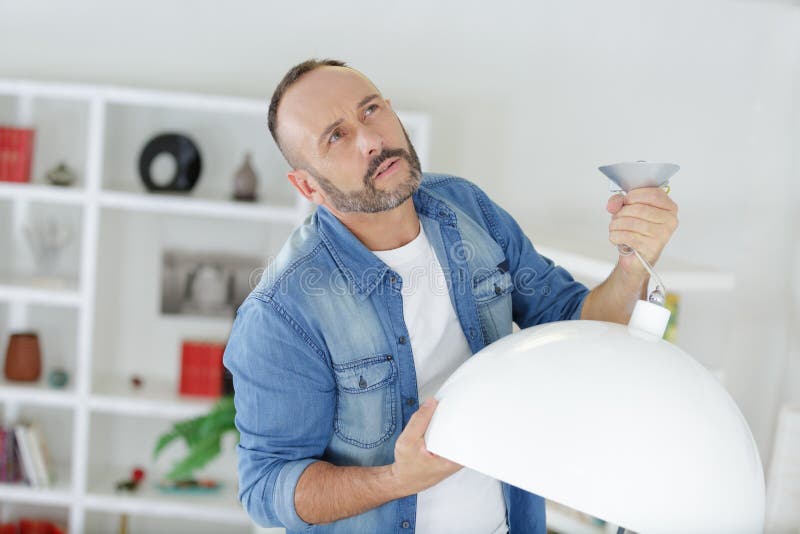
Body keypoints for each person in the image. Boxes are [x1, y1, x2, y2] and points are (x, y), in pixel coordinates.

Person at [223, 59, 679, 534]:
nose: (371, 140)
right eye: (336, 136)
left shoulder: (465, 207)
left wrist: (632, 263)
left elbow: (571, 320)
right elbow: (267, 487)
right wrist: (397, 480)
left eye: (371, 110)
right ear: (306, 185)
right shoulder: (282, 312)